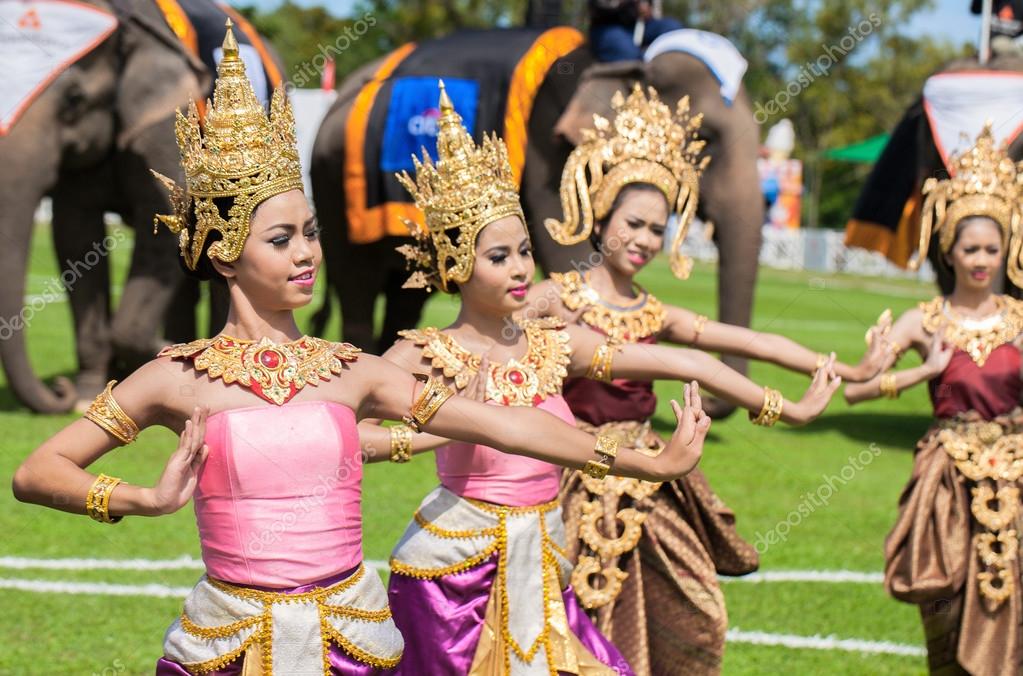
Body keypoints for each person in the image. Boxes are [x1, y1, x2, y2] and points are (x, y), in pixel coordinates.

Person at [10, 25, 709, 676]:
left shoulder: (351, 371)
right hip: (228, 647)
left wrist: (634, 460)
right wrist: (141, 496)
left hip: (351, 642)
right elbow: (39, 470)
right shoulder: (176, 378)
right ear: (223, 255)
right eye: (280, 240)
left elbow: (504, 424)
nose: (308, 253)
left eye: (310, 233)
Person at [355, 81, 841, 675]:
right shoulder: (424, 354)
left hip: (544, 555)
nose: (519, 269)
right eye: (498, 257)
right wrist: (432, 430)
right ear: (456, 262)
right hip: (457, 578)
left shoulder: (557, 345)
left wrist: (783, 407)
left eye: (524, 251)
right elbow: (339, 430)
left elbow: (683, 361)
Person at [524, 83, 889, 675]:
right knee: (572, 618)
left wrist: (846, 369)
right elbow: (487, 340)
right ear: (600, 215)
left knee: (698, 610)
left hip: (649, 473)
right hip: (570, 471)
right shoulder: (555, 298)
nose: (644, 240)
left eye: (656, 230)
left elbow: (746, 340)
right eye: (634, 224)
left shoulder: (653, 311)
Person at [845, 124, 1023, 675]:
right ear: (948, 247)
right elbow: (855, 390)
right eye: (970, 248)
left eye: (992, 249)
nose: (982, 260)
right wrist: (924, 368)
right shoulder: (923, 321)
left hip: (1017, 480)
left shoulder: (1020, 319)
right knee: (946, 604)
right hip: (946, 480)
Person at [588, 0, 683, 62]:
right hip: (608, 27)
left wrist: (647, 7)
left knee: (673, 28)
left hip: (639, 25)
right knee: (630, 56)